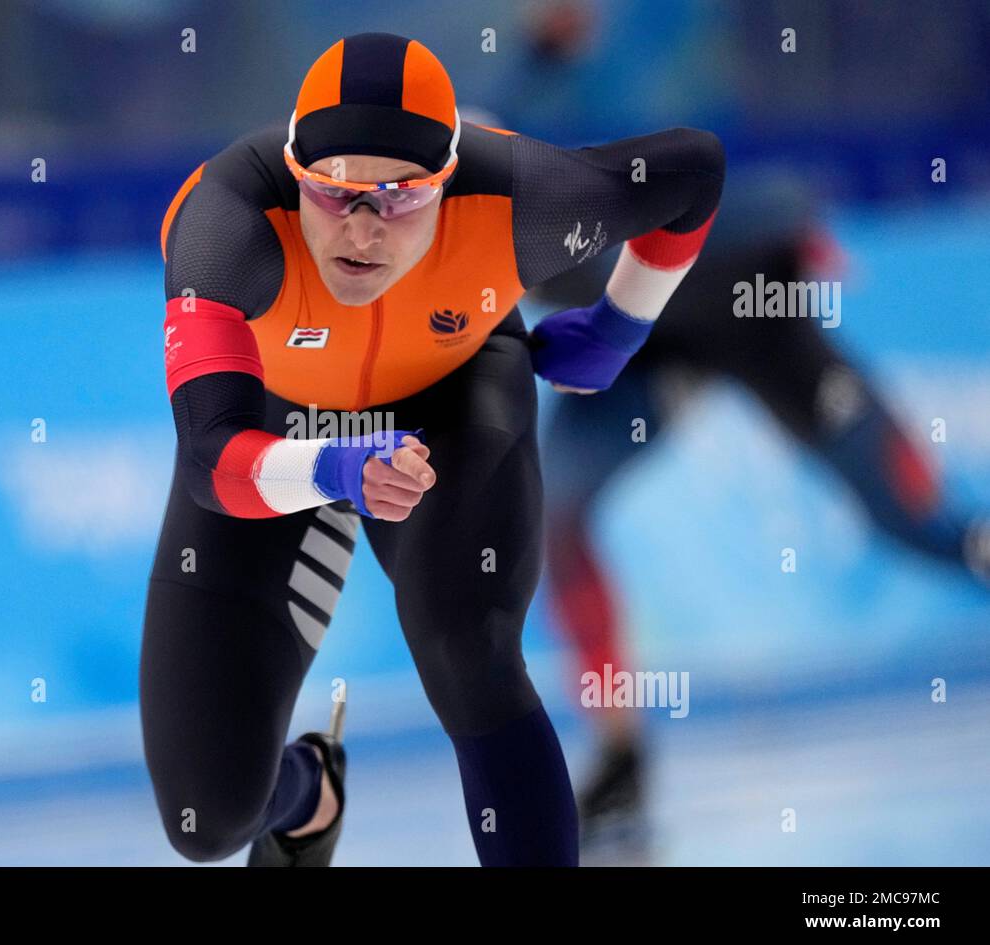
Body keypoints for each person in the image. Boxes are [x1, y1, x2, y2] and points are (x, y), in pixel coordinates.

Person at [140, 31, 724, 867]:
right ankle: (308, 793)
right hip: (277, 424)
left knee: (469, 649)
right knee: (206, 821)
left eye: (403, 198)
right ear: (296, 175)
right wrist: (339, 466)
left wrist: (618, 327)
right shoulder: (226, 223)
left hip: (450, 395)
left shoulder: (522, 197)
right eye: (337, 194)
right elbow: (211, 461)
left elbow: (693, 171)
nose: (365, 231)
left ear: (451, 183)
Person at [531, 172, 990, 845]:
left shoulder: (583, 224)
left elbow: (781, 206)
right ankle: (620, 754)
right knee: (556, 516)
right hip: (654, 349)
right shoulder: (532, 255)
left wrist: (798, 239)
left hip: (759, 321)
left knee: (917, 524)